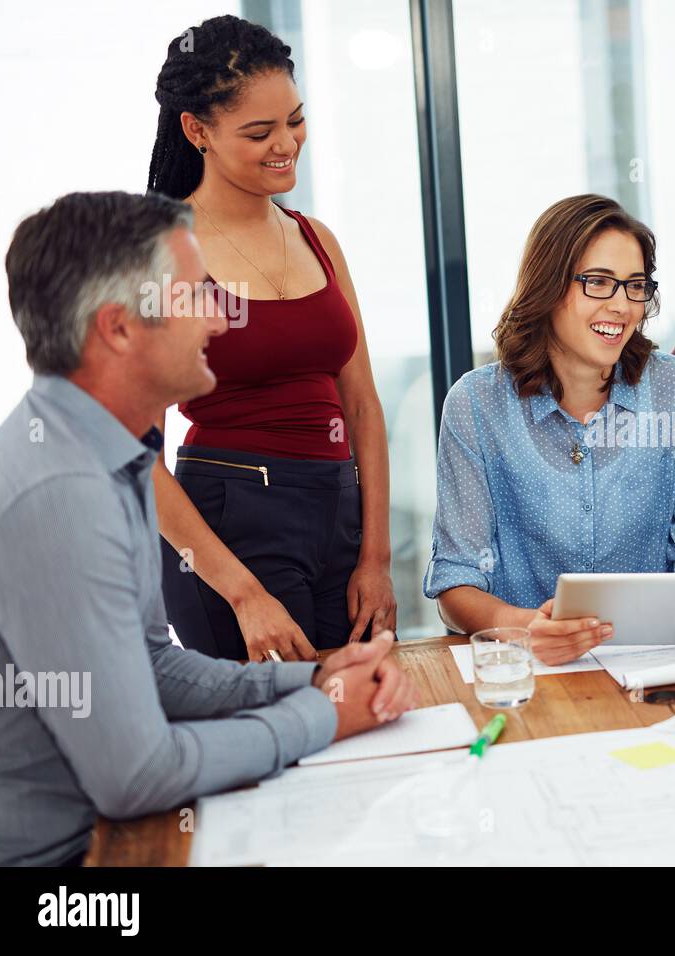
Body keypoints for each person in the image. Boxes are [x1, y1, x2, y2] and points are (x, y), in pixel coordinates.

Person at [0, 190, 418, 866]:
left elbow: (152, 666)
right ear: (118, 328)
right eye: (195, 295)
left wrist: (312, 680)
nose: (221, 317)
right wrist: (326, 716)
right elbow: (138, 775)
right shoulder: (60, 493)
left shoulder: (110, 456)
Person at [147, 15, 396, 661]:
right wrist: (242, 593)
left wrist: (375, 557)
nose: (287, 142)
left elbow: (362, 405)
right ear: (196, 130)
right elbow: (132, 450)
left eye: (295, 120)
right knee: (280, 740)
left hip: (338, 518)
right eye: (259, 132)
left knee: (368, 728)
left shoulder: (317, 238)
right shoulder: (160, 251)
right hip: (230, 524)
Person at [425, 195, 675, 665]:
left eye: (635, 286)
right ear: (548, 286)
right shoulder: (476, 405)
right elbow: (456, 579)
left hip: (655, 661)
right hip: (527, 669)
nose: (622, 306)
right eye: (598, 283)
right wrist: (525, 628)